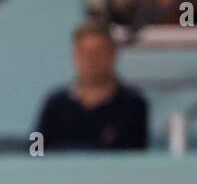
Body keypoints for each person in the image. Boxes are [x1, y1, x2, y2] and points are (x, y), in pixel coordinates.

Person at [34, 22, 148, 151]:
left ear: (113, 54)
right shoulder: (55, 104)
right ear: (75, 56)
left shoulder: (133, 104)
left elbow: (135, 155)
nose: (91, 59)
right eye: (85, 52)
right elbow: (35, 149)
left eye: (98, 52)